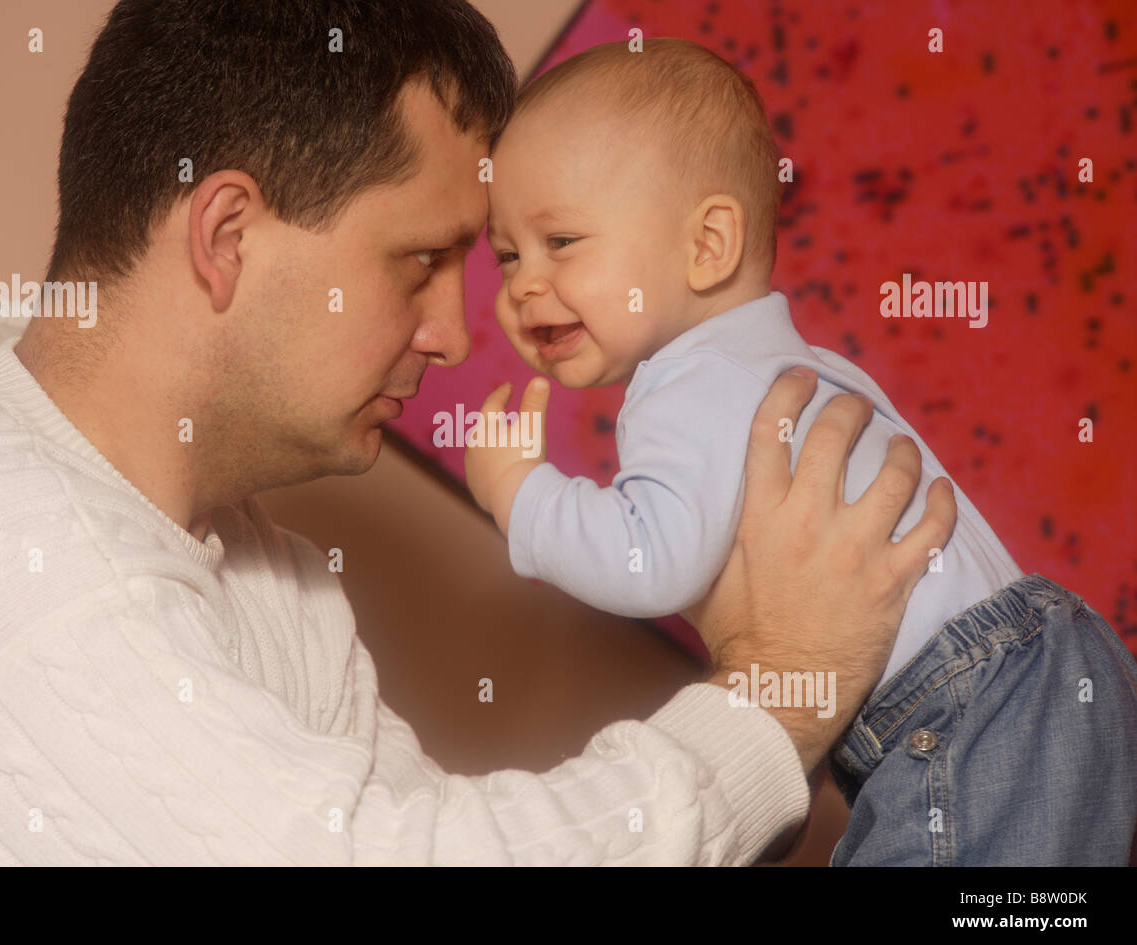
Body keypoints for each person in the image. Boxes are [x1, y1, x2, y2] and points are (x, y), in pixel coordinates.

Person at [0, 0, 953, 866]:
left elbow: (437, 831)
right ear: (227, 235)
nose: (457, 334)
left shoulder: (269, 570)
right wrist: (786, 681)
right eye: (421, 260)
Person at [465, 38, 1137, 864]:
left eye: (560, 242)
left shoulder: (686, 383)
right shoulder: (793, 363)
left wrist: (518, 494)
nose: (524, 283)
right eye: (506, 258)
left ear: (707, 245)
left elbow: (652, 561)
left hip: (961, 701)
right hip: (1057, 655)